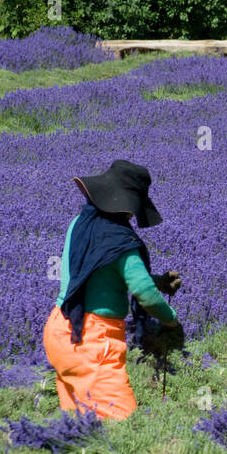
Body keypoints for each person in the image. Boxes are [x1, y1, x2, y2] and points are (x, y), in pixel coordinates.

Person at [43, 160, 184, 419]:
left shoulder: (80, 224)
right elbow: (145, 294)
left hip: (60, 330)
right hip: (92, 340)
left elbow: (100, 273)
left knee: (80, 426)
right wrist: (171, 323)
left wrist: (157, 280)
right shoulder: (121, 241)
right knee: (123, 424)